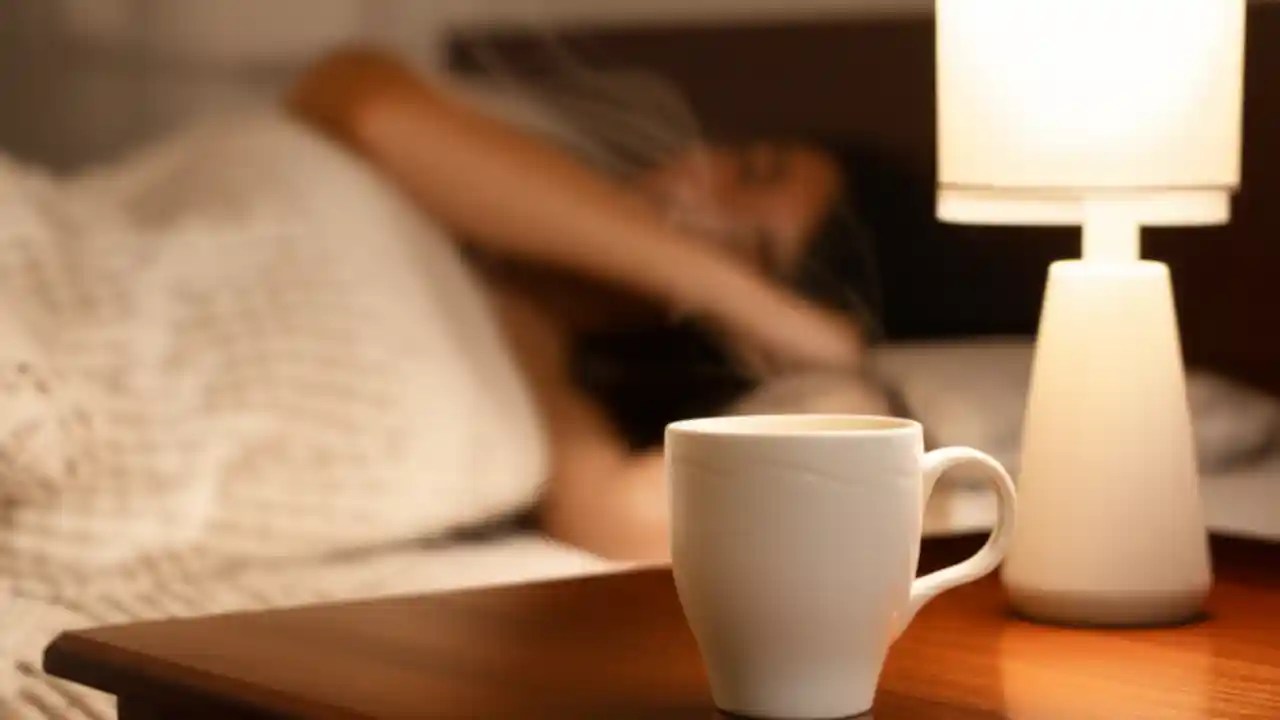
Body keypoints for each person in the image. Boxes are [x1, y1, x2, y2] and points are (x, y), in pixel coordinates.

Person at [288, 48, 875, 561]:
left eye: (753, 250)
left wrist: (530, 339)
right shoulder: (523, 150)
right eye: (748, 171)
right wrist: (731, 286)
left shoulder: (574, 378)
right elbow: (364, 110)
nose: (707, 203)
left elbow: (619, 521)